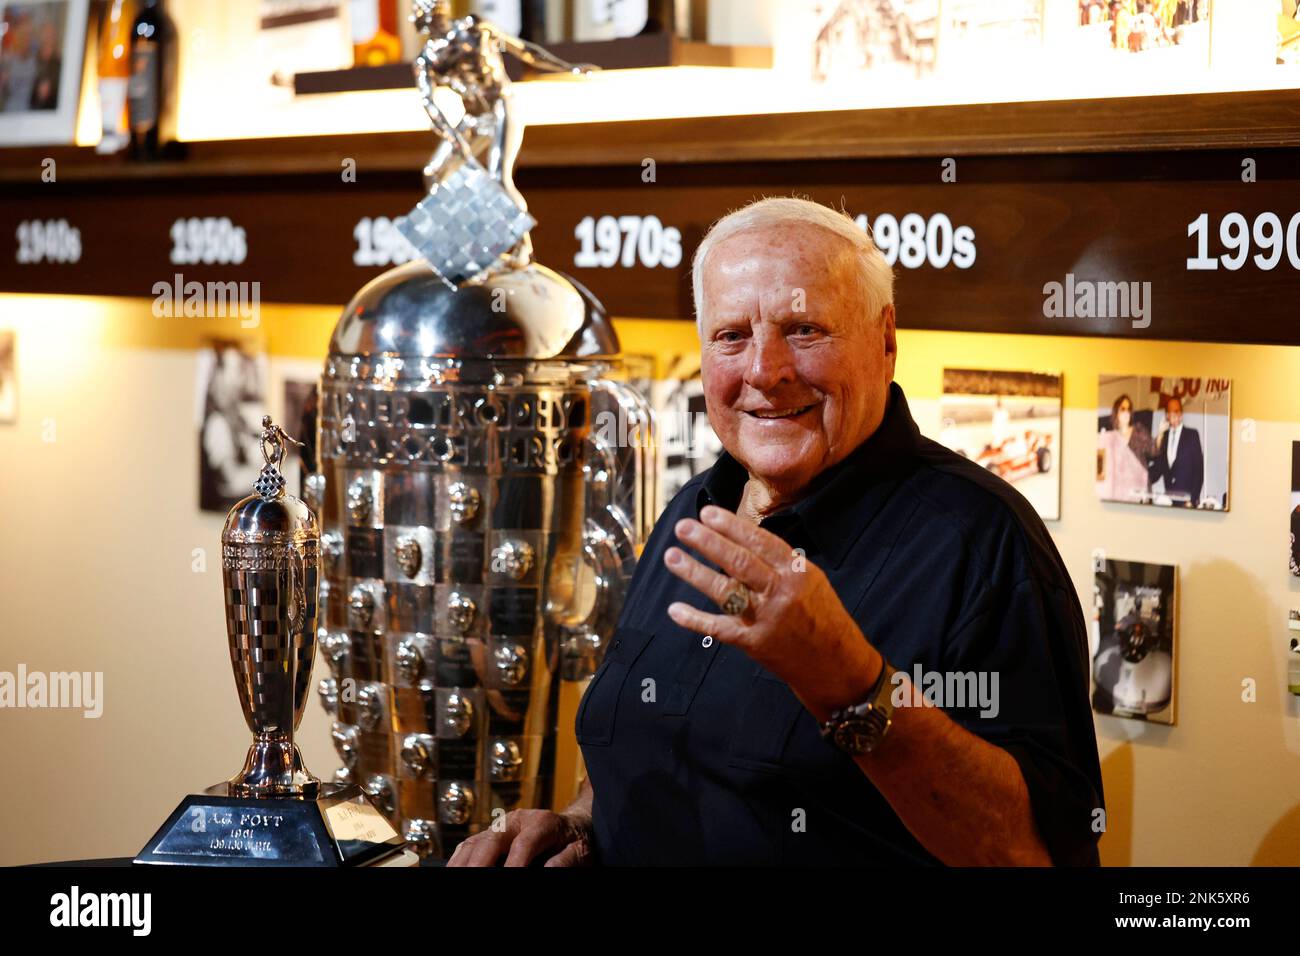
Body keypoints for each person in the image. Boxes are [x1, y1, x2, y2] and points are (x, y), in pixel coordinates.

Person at [448, 197, 1104, 867]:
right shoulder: (693, 509)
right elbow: (661, 740)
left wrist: (850, 683)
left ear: (885, 341)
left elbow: (1033, 854)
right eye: (732, 336)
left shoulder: (984, 544)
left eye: (805, 330)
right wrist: (584, 824)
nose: (766, 370)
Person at [1147, 395, 1203, 508]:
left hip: (1187, 502)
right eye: (1170, 412)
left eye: (1176, 411)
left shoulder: (1192, 435)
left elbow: (1199, 471)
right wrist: (1140, 479)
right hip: (1169, 502)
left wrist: (1192, 500)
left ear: (1181, 414)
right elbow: (1157, 469)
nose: (1173, 415)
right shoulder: (1164, 437)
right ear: (1166, 415)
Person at [1096, 393, 1154, 503]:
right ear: (1116, 412)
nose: (1126, 412)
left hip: (1139, 493)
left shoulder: (1139, 430)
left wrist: (1160, 435)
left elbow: (1153, 450)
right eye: (1123, 409)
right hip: (1119, 494)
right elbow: (1102, 470)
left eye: (1129, 409)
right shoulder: (1110, 438)